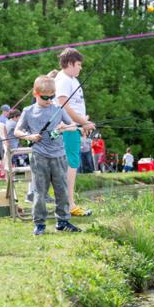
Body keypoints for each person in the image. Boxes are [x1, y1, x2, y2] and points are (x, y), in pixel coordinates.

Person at [13, 76, 82, 235]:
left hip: (59, 156)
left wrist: (64, 127)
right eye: (46, 97)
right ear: (36, 93)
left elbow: (73, 126)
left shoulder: (58, 109)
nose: (49, 100)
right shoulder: (28, 111)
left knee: (62, 190)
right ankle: (39, 224)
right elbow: (17, 131)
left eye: (52, 96)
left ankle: (63, 221)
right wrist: (29, 137)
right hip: (39, 156)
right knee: (40, 191)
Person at [54, 48, 95, 216]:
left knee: (72, 164)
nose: (80, 68)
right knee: (71, 166)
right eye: (78, 64)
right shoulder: (63, 79)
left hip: (74, 128)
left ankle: (69, 203)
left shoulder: (72, 79)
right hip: (68, 129)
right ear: (70, 63)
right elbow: (63, 104)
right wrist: (82, 122)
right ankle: (70, 205)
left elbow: (76, 105)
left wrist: (83, 123)